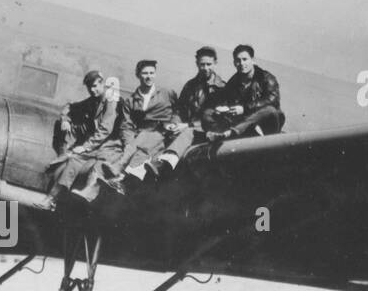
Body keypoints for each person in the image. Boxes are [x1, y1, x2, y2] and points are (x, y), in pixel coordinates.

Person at [143, 47, 226, 179]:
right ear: (197, 63)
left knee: (187, 133)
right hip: (185, 127)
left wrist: (187, 126)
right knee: (160, 132)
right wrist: (174, 123)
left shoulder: (221, 89)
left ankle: (161, 164)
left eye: (208, 64)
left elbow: (215, 121)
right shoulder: (191, 85)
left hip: (204, 131)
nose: (205, 68)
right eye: (202, 64)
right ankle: (138, 167)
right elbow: (179, 110)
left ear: (215, 63)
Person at [49, 70, 125, 203]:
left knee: (93, 167)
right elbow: (71, 107)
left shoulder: (111, 100)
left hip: (112, 146)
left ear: (103, 84)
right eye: (90, 87)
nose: (92, 90)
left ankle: (83, 195)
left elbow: (105, 129)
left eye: (95, 86)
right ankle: (52, 199)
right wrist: (65, 119)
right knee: (72, 160)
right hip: (97, 146)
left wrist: (85, 147)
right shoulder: (93, 101)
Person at [111, 60, 184, 186]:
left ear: (155, 74)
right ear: (138, 75)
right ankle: (119, 173)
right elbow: (126, 125)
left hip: (162, 133)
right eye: (145, 73)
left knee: (143, 142)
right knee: (137, 142)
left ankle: (121, 171)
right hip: (141, 135)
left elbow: (178, 111)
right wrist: (128, 143)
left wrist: (174, 123)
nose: (149, 76)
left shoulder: (167, 93)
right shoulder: (131, 100)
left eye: (152, 73)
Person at [209, 45, 284, 140]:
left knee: (270, 110)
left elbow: (272, 100)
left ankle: (231, 133)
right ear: (234, 63)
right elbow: (225, 100)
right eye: (238, 60)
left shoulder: (266, 78)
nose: (241, 63)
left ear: (252, 60)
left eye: (245, 59)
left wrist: (244, 108)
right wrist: (223, 108)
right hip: (245, 122)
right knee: (209, 113)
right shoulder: (233, 82)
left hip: (268, 124)